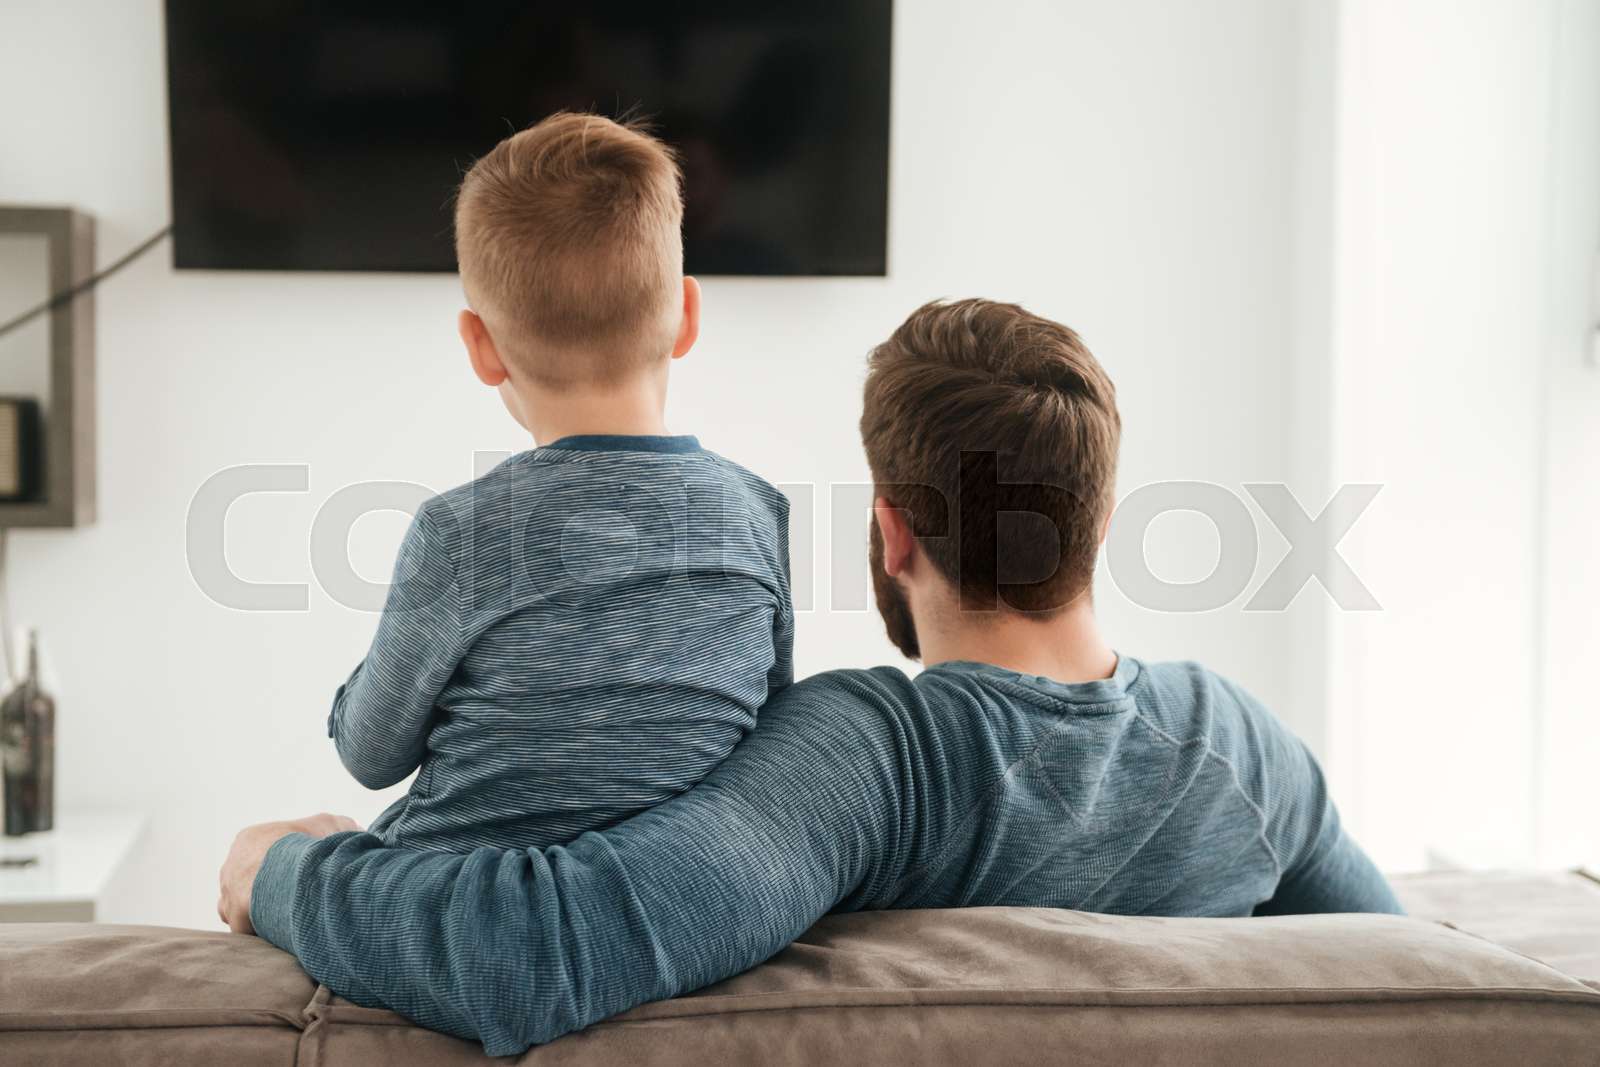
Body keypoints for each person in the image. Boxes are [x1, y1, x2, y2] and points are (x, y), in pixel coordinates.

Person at [221, 299, 1400, 1056]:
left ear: (890, 531)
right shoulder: (1245, 747)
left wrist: (280, 868)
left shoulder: (873, 756)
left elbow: (530, 953)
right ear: (1095, 520)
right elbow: (1413, 977)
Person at [324, 111, 792, 852]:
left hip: (454, 893)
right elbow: (770, 735)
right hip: (686, 900)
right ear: (687, 316)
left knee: (296, 843)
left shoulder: (458, 535)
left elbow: (367, 754)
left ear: (480, 347)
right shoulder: (757, 514)